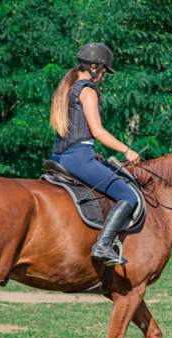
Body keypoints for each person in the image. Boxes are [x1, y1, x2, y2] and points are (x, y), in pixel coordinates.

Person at [49, 43, 140, 266]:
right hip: (78, 158)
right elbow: (98, 131)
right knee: (129, 196)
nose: (102, 77)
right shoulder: (87, 90)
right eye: (103, 72)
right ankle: (103, 245)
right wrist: (127, 150)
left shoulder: (68, 88)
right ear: (93, 67)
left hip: (57, 157)